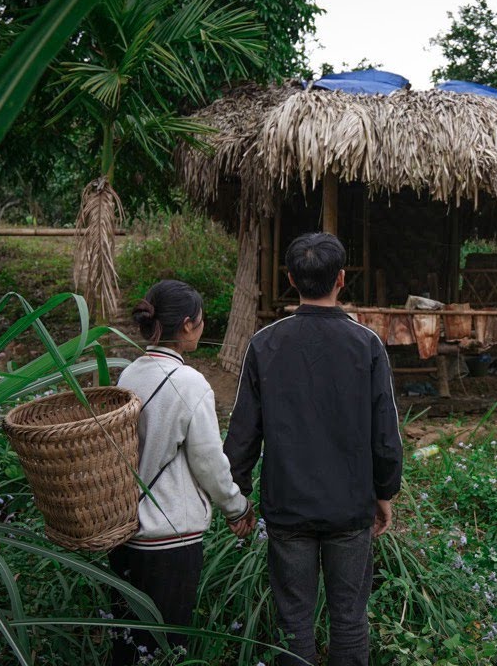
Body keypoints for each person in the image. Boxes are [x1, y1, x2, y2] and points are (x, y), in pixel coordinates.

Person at [224, 232, 403, 666]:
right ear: (341, 278)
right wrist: (384, 493)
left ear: (290, 279)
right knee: (349, 617)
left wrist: (238, 494)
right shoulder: (367, 344)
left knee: (294, 622)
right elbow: (386, 432)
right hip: (350, 507)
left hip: (288, 509)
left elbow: (243, 431)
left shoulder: (264, 344)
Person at [110, 279, 258, 665]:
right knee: (168, 646)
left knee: (128, 642)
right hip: (171, 540)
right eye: (202, 320)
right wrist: (237, 508)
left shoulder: (129, 375)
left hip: (125, 535)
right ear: (189, 325)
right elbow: (209, 462)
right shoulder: (190, 384)